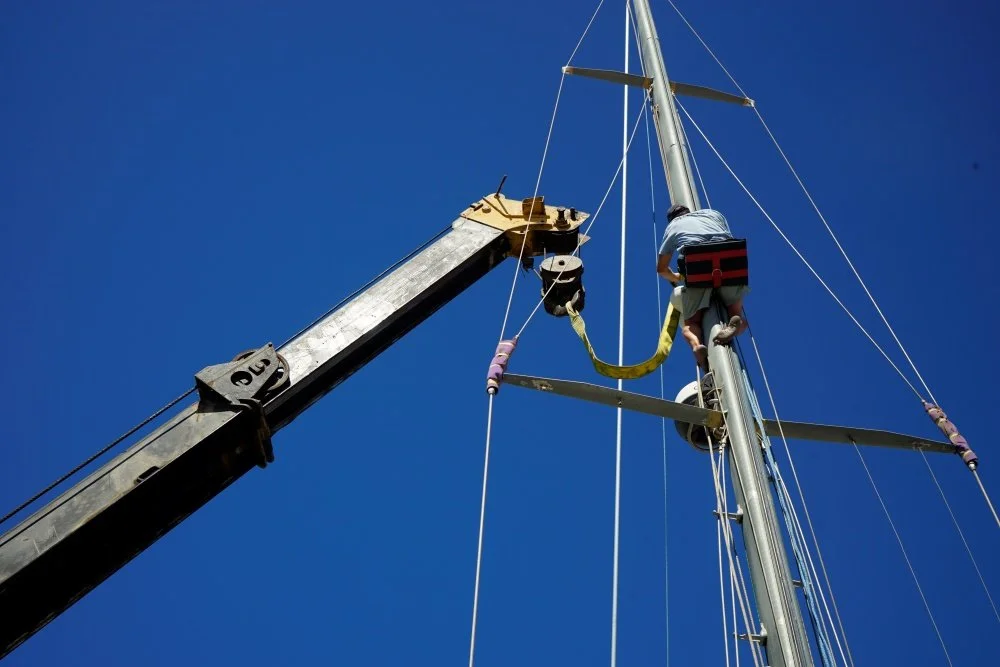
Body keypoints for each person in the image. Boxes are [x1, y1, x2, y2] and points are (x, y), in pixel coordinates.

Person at [656, 204, 748, 372]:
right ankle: (735, 322)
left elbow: (661, 268)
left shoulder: (673, 226)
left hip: (698, 274)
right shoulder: (713, 213)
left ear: (672, 219)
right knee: (735, 310)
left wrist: (676, 277)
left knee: (690, 324)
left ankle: (697, 345)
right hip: (731, 266)